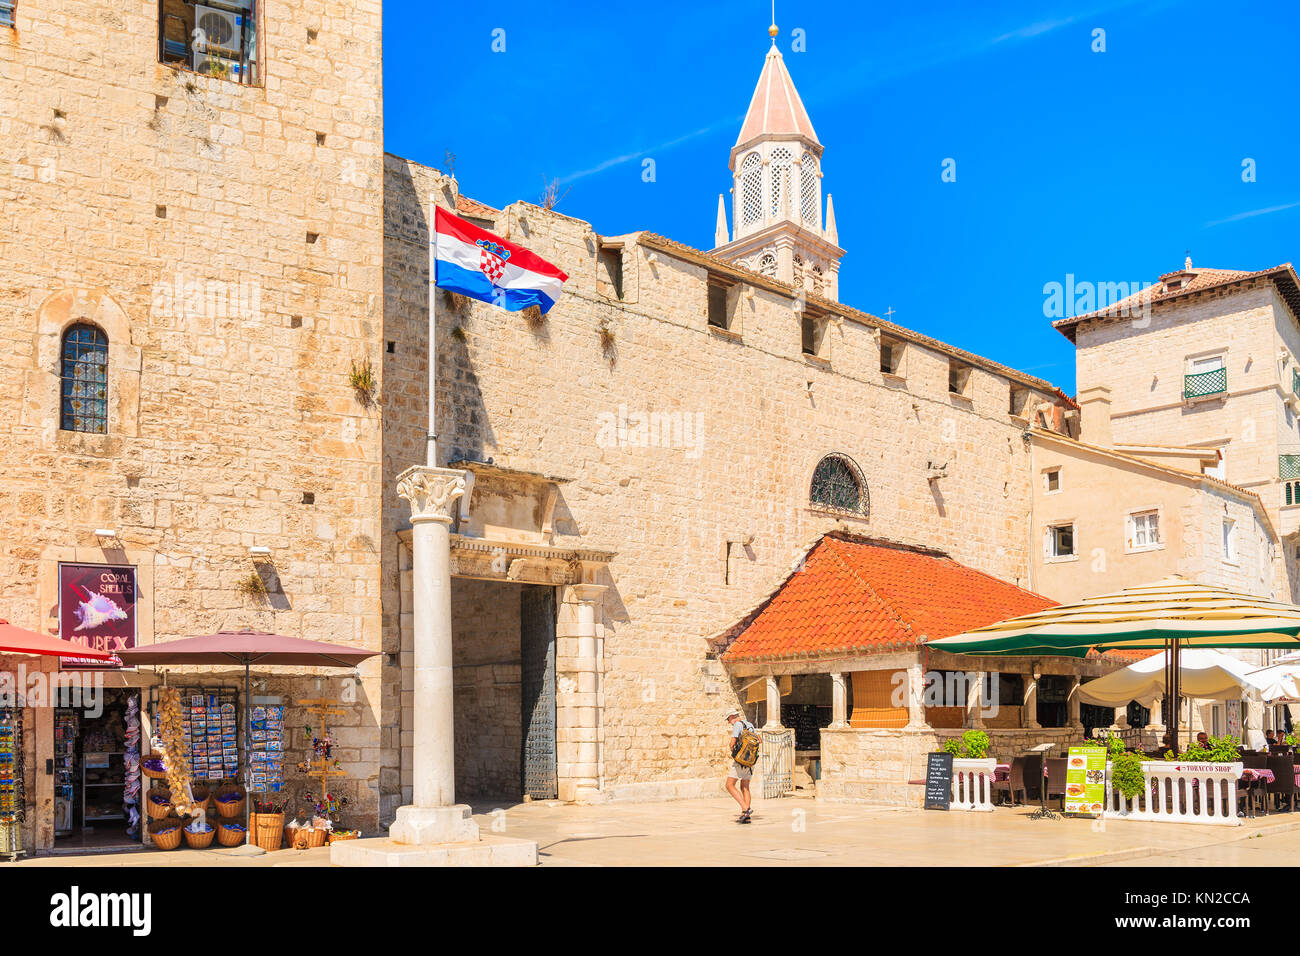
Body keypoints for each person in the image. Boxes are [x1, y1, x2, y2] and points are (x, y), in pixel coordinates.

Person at [724, 709, 754, 824]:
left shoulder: (737, 724)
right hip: (751, 760)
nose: (728, 722)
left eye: (728, 719)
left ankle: (746, 809)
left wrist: (734, 752)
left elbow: (732, 742)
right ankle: (745, 815)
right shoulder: (750, 724)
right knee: (745, 787)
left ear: (732, 716)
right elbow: (759, 740)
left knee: (729, 785)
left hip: (741, 761)